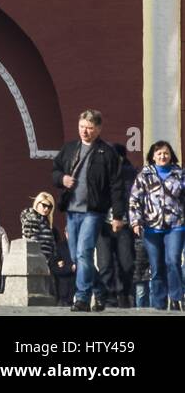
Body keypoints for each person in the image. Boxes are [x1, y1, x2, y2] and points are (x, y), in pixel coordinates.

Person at [51, 109, 128, 312]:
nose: (85, 131)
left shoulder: (107, 153)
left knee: (84, 253)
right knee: (76, 257)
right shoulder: (69, 149)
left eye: (89, 128)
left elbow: (116, 186)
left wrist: (118, 215)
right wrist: (62, 179)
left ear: (99, 129)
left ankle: (82, 298)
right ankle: (100, 289)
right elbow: (55, 171)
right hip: (72, 210)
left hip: (93, 211)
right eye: (82, 127)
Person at [128, 140, 185, 310]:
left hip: (176, 225)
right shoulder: (144, 175)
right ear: (153, 156)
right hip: (151, 226)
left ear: (171, 155)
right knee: (157, 266)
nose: (163, 156)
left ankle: (176, 298)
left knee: (173, 260)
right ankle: (159, 304)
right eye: (159, 153)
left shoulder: (179, 174)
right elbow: (134, 200)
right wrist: (136, 221)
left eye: (166, 153)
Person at [96, 143, 139, 308]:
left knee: (127, 263)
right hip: (103, 224)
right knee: (105, 263)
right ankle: (110, 298)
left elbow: (135, 198)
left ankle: (125, 292)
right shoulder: (100, 172)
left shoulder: (132, 175)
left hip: (125, 225)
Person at [21, 191, 70, 305]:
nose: (46, 209)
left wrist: (56, 259)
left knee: (51, 294)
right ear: (37, 203)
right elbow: (30, 240)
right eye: (44, 205)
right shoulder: (31, 219)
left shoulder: (47, 223)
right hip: (37, 264)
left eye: (50, 206)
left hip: (48, 264)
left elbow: (53, 245)